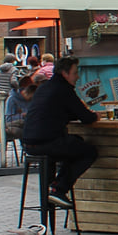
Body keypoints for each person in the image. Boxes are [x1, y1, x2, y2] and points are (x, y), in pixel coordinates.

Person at [20, 56, 100, 207]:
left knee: (75, 144)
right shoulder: (64, 89)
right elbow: (87, 118)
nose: (77, 77)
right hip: (47, 142)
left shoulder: (44, 87)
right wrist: (96, 116)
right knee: (89, 152)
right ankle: (58, 189)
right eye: (75, 73)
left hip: (29, 143)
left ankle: (53, 190)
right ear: (65, 73)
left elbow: (62, 111)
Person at [3, 76, 37, 141]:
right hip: (17, 124)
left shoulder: (32, 99)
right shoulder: (12, 99)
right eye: (30, 98)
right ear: (26, 93)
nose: (30, 100)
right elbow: (8, 118)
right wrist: (23, 115)